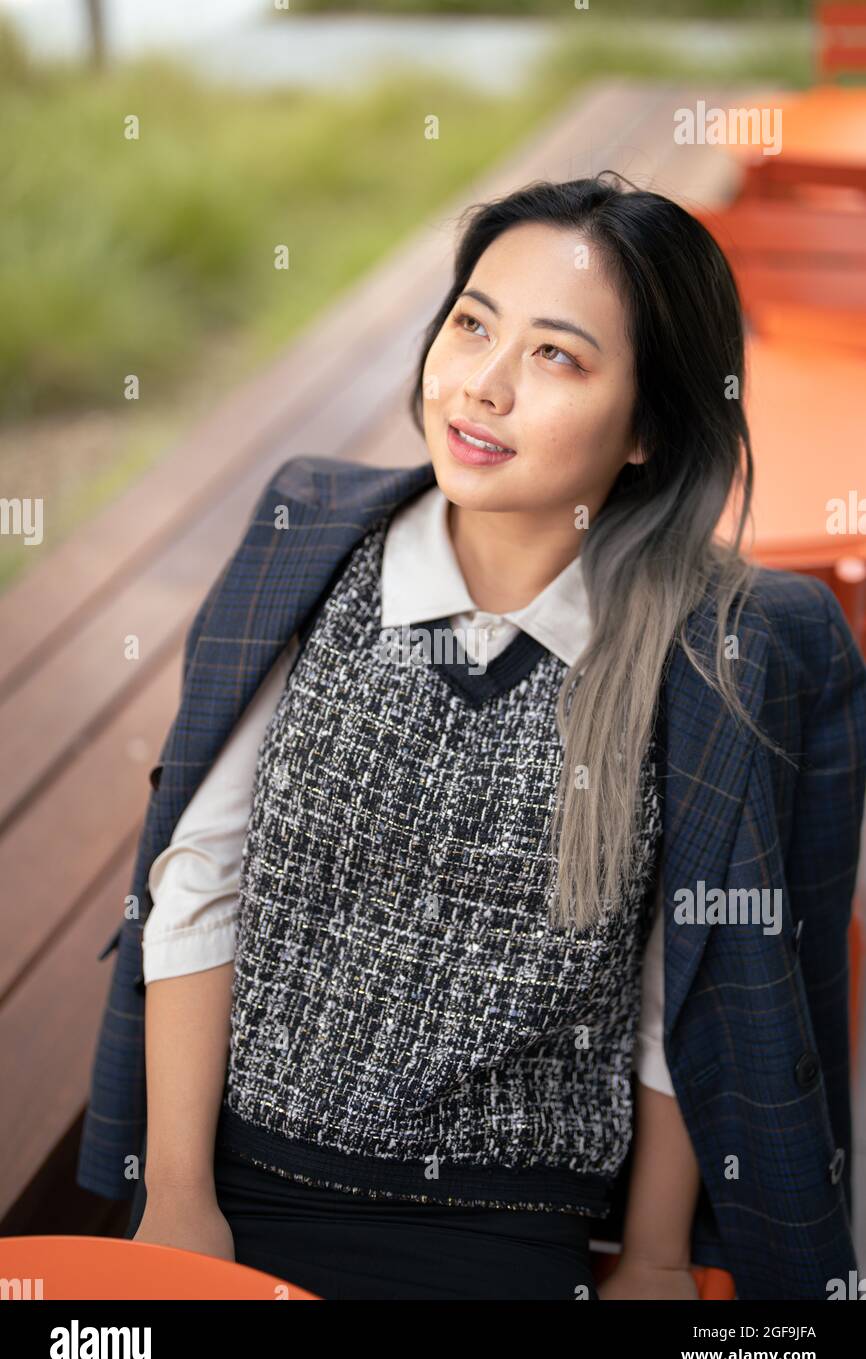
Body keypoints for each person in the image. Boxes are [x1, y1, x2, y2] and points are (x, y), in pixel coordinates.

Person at [77, 172, 866, 1301]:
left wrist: (649, 1255)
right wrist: (181, 1197)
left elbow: (679, 981)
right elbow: (203, 878)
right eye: (471, 325)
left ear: (644, 428)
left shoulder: (694, 654)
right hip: (247, 1186)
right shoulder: (317, 552)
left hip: (508, 1226)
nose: (480, 387)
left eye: (555, 355)